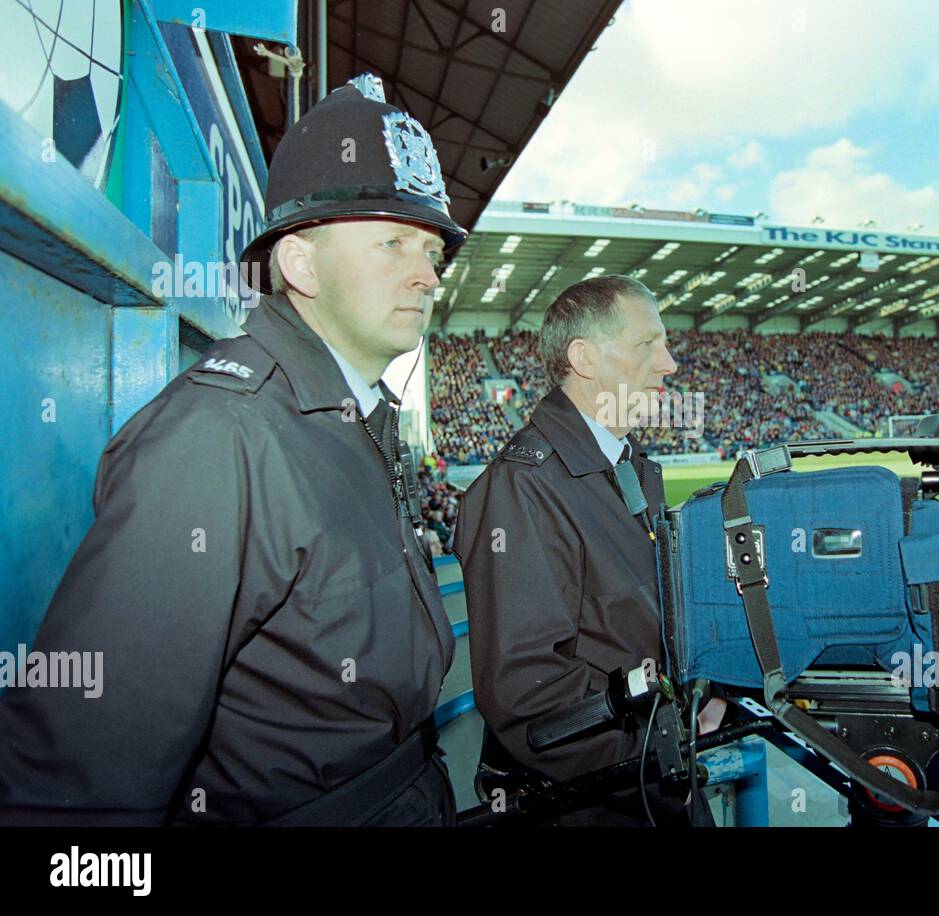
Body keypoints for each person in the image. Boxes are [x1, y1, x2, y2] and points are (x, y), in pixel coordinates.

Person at [0, 74, 464, 825]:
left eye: (432, 249)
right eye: (391, 241)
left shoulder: (348, 417)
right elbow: (75, 796)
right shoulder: (216, 440)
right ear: (301, 265)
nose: (427, 273)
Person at [453, 275, 722, 825]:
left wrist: (701, 696)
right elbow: (530, 696)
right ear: (585, 358)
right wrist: (662, 760)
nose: (669, 363)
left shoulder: (632, 468)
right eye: (648, 344)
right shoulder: (523, 488)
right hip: (606, 801)